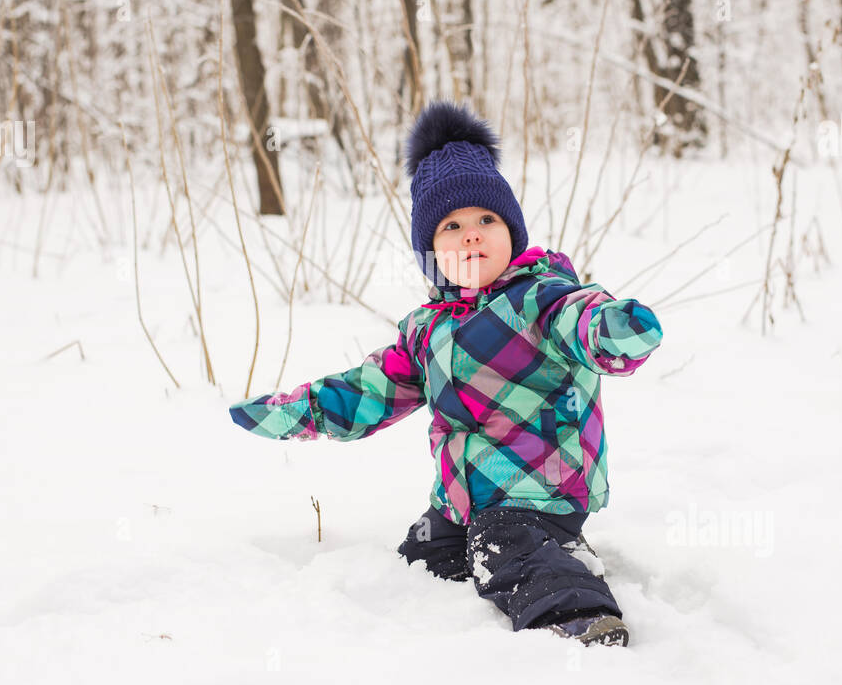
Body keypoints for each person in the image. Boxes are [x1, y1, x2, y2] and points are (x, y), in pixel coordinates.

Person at [228, 100, 663, 646]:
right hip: (464, 495)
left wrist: (614, 331)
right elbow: (370, 391)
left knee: (504, 545)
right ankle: (545, 556)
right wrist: (298, 411)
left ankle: (576, 616)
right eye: (452, 227)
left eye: (487, 220)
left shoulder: (540, 298)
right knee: (422, 555)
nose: (472, 235)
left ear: (512, 232)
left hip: (543, 488)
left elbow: (581, 321)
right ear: (430, 253)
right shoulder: (425, 331)